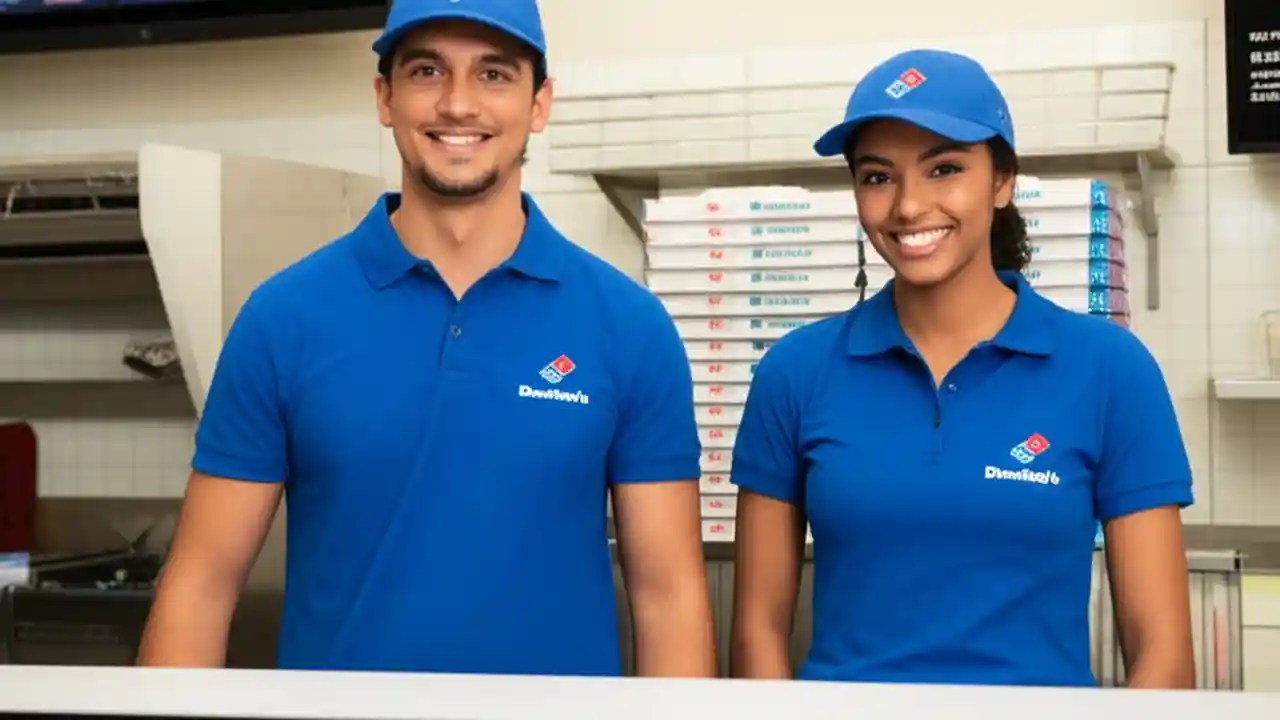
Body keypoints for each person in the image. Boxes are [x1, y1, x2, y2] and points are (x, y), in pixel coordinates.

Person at [137, 0, 716, 678]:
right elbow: (200, 587)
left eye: (494, 74)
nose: (458, 104)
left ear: (539, 104)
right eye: (426, 71)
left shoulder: (629, 327)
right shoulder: (283, 319)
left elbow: (669, 599)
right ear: (385, 97)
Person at [728, 48, 1196, 688]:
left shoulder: (1111, 371)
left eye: (944, 169)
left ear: (1002, 181)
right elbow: (756, 632)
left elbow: (1162, 649)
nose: (908, 206)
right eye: (877, 177)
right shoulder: (795, 372)